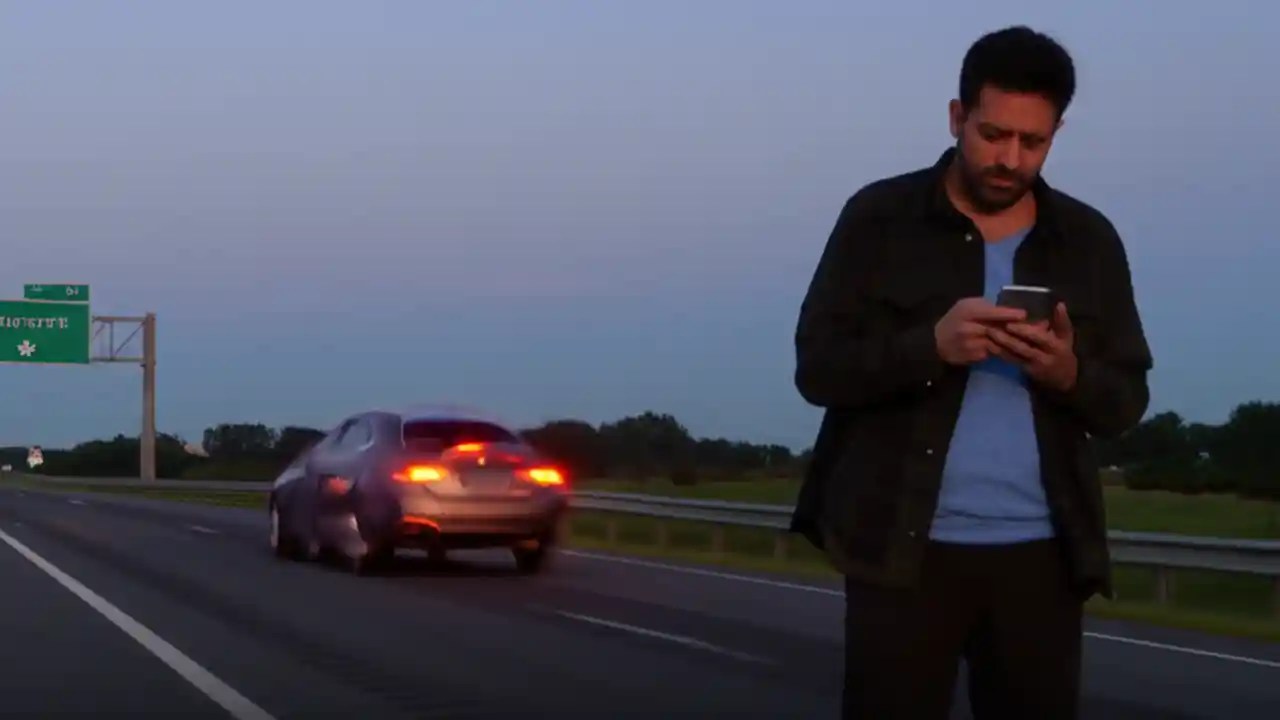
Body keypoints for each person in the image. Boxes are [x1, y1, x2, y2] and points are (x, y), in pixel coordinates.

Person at [788, 25, 1153, 719]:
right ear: (957, 117)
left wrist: (1068, 372)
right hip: (900, 553)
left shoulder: (1089, 241)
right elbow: (817, 369)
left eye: (1033, 142)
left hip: (1043, 559)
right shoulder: (878, 219)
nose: (1009, 159)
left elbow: (1126, 399)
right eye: (992, 135)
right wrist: (931, 345)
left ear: (1056, 133)